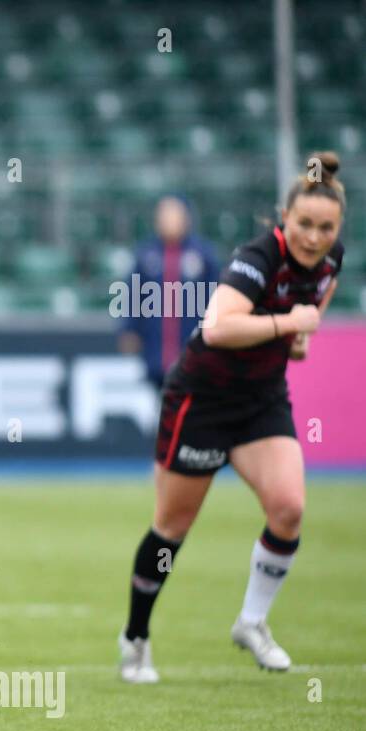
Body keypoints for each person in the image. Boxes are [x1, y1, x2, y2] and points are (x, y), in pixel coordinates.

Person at [117, 152, 346, 683]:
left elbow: (315, 305)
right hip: (201, 402)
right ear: (282, 219)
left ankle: (252, 622)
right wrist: (290, 321)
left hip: (261, 401)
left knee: (288, 509)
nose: (314, 237)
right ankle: (136, 638)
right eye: (304, 224)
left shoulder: (334, 257)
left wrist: (299, 334)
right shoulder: (256, 257)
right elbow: (219, 327)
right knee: (172, 528)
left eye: (326, 227)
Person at [118, 195, 219, 389]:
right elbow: (132, 294)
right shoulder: (146, 254)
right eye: (164, 214)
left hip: (193, 347)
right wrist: (129, 328)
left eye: (173, 214)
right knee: (161, 403)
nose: (168, 220)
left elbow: (216, 295)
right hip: (156, 346)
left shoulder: (202, 254)